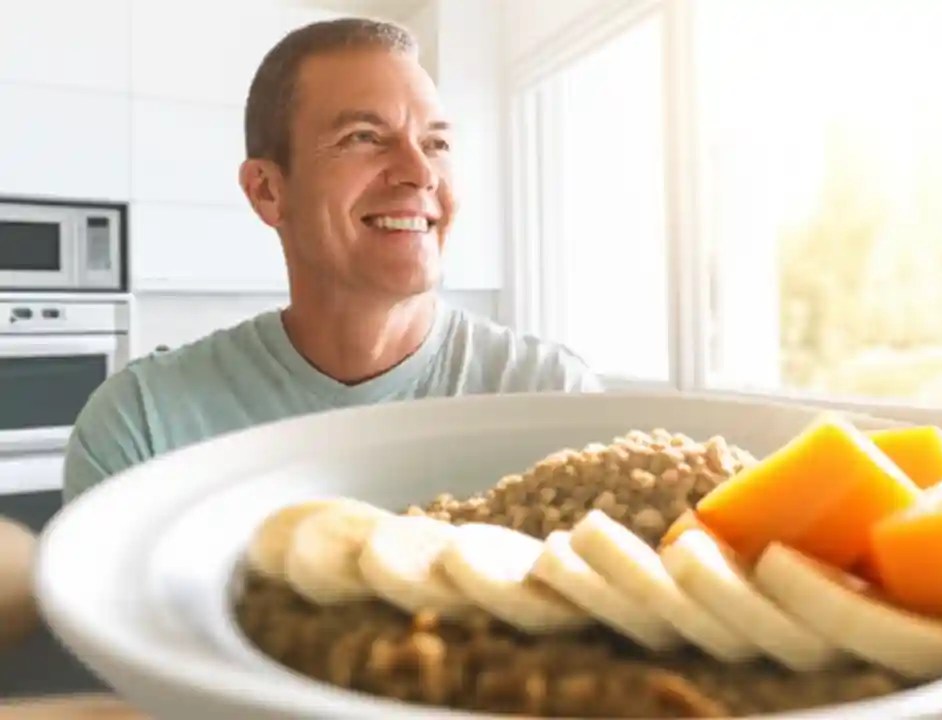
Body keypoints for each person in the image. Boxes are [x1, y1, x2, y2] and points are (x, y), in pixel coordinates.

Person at [62, 18, 602, 504]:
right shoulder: (143, 424)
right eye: (364, 138)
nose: (420, 172)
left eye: (436, 144)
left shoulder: (555, 400)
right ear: (268, 191)